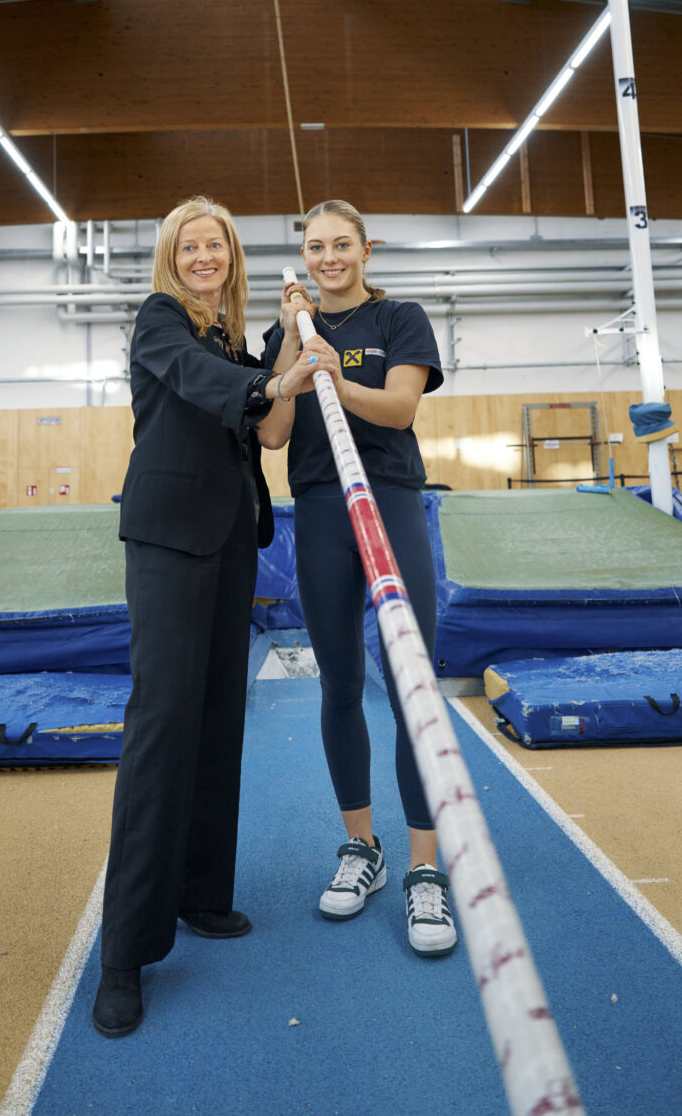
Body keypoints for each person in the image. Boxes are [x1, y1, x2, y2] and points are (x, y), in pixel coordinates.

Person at [93, 196, 338, 1038]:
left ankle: (201, 893)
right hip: (167, 541)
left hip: (232, 539)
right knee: (162, 726)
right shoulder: (158, 322)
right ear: (172, 257)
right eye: (190, 246)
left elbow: (268, 433)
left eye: (216, 246)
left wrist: (291, 352)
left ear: (232, 256)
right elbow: (207, 388)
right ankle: (123, 953)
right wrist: (272, 375)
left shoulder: (231, 339)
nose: (204, 257)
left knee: (216, 720)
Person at [260, 199, 456, 958]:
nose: (329, 257)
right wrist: (289, 351)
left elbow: (402, 410)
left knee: (412, 680)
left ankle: (423, 868)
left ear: (365, 249)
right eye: (316, 246)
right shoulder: (290, 330)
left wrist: (334, 380)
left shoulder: (399, 319)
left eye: (342, 244)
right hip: (317, 509)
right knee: (339, 682)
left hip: (390, 502)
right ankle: (361, 849)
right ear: (304, 255)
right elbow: (273, 431)